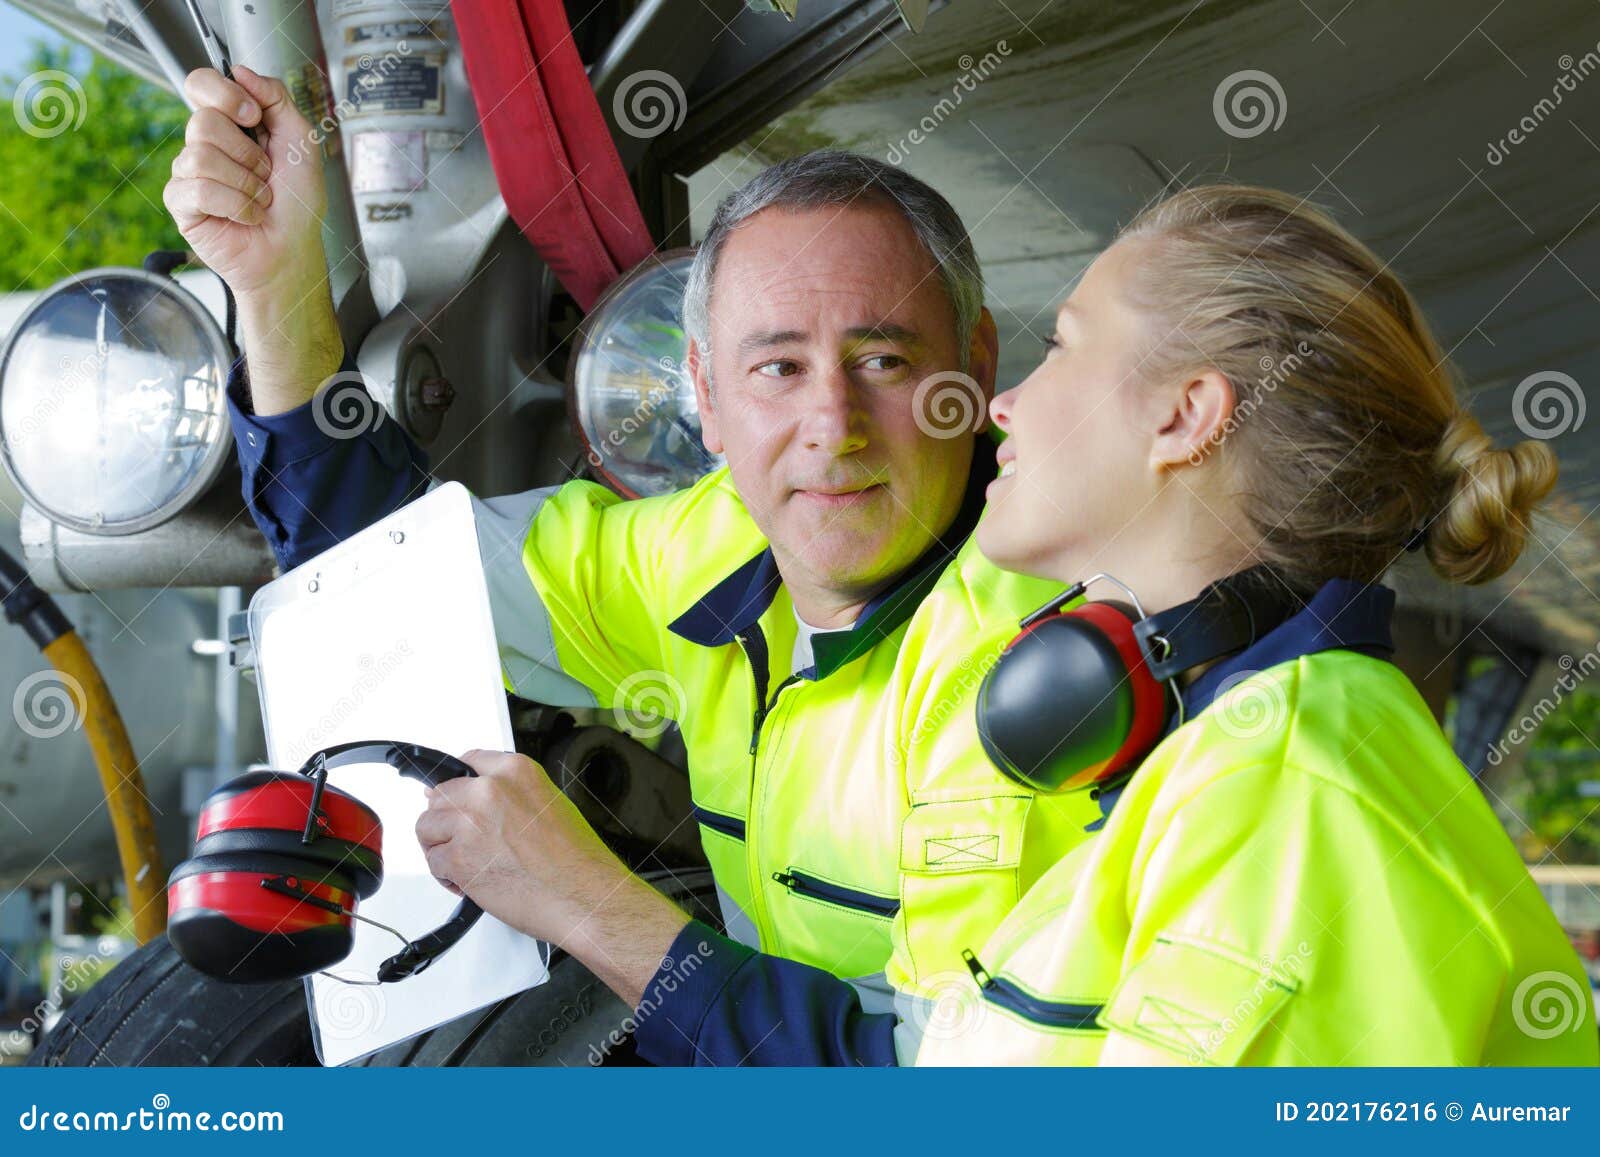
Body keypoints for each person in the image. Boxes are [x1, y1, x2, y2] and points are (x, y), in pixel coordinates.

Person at [457, 183, 1596, 1067]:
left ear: (1184, 416)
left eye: (1061, 343)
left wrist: (596, 909)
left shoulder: (1295, 795)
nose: (1000, 404)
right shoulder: (1220, 757)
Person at [163, 67, 1098, 1045]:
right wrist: (279, 292)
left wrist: (587, 905)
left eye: (883, 360)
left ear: (977, 364)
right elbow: (383, 586)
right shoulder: (713, 544)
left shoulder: (1050, 674)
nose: (833, 426)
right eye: (778, 366)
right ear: (703, 390)